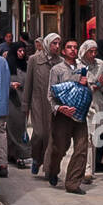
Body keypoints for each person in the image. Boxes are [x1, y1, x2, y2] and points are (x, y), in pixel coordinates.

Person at [45, 53, 90, 193]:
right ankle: (52, 170)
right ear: (64, 51)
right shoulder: (57, 70)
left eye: (75, 47)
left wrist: (86, 85)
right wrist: (60, 108)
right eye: (69, 47)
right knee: (59, 148)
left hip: (79, 114)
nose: (72, 50)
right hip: (62, 116)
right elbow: (51, 94)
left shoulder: (83, 68)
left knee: (82, 147)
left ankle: (73, 183)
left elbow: (89, 91)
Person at [25, 33, 62, 176]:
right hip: (38, 103)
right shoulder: (34, 60)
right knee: (39, 134)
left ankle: (49, 169)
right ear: (47, 43)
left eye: (59, 44)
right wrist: (25, 105)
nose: (57, 46)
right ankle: (36, 158)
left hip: (54, 105)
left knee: (51, 137)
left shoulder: (60, 62)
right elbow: (28, 83)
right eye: (54, 43)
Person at [79, 39, 103, 174]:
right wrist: (89, 87)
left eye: (95, 51)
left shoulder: (101, 64)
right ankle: (88, 170)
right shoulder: (78, 65)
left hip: (99, 103)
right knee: (89, 138)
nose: (93, 54)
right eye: (90, 52)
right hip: (85, 104)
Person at [7, 43, 31, 168]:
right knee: (12, 128)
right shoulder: (8, 66)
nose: (22, 53)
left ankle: (19, 154)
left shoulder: (26, 66)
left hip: (23, 101)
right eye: (19, 51)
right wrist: (10, 85)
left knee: (21, 128)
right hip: (11, 101)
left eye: (23, 51)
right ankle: (15, 155)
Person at [0, 50, 12, 178]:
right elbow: (7, 82)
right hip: (2, 105)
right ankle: (2, 164)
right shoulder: (2, 61)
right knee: (1, 133)